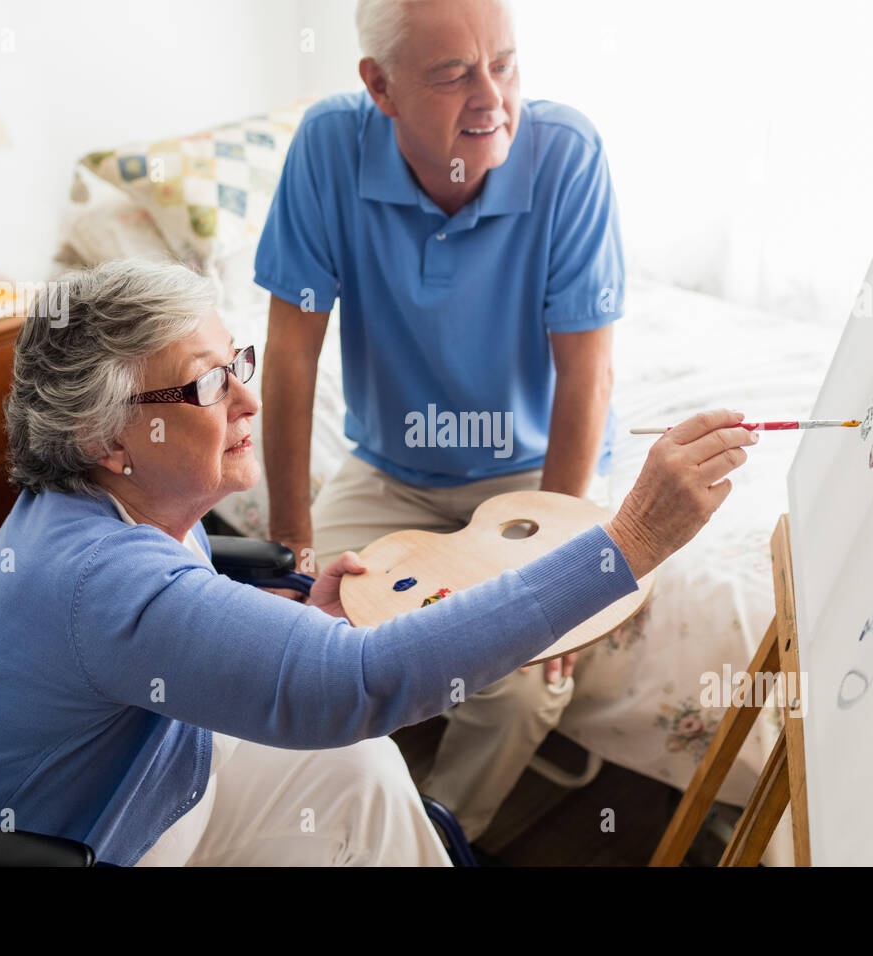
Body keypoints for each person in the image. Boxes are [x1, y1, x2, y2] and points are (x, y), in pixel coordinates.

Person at [0, 259, 755, 866]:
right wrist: (631, 541)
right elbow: (362, 681)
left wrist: (291, 613)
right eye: (206, 386)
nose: (249, 401)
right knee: (358, 731)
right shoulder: (100, 580)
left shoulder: (129, 501)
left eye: (239, 365)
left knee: (362, 771)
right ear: (107, 437)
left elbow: (165, 637)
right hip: (77, 846)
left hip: (149, 779)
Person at [256, 0, 628, 841]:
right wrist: (291, 553)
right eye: (454, 73)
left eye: (504, 63)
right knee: (299, 642)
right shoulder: (327, 147)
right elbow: (288, 359)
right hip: (389, 470)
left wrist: (554, 563)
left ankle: (435, 843)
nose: (491, 96)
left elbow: (587, 376)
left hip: (533, 471)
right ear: (379, 88)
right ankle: (331, 831)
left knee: (526, 685)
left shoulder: (567, 156)